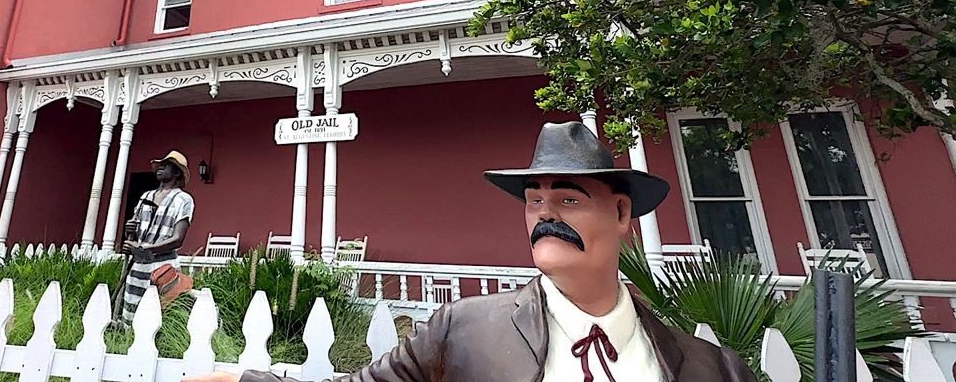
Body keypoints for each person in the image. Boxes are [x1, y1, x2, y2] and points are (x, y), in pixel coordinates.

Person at [187, 121, 756, 382]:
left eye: (568, 198)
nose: (545, 215)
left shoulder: (714, 370)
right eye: (533, 201)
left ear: (622, 214)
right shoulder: (465, 332)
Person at [120, 150, 195, 322]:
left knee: (161, 315)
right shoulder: (145, 197)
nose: (160, 168)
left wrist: (145, 248)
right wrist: (129, 232)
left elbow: (178, 238)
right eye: (160, 165)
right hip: (138, 265)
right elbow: (134, 233)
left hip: (164, 266)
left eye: (166, 165)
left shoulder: (183, 200)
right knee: (131, 315)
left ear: (177, 172)